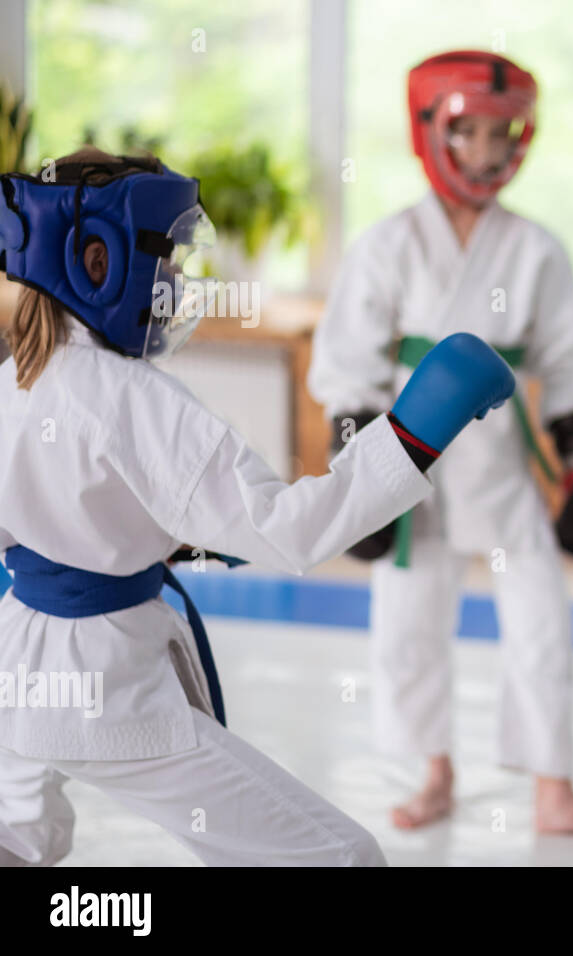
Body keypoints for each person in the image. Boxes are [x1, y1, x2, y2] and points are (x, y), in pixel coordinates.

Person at [0, 147, 515, 866]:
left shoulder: (13, 382)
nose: (179, 281)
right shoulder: (134, 400)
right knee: (341, 858)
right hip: (104, 687)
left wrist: (174, 539)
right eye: (168, 259)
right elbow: (290, 533)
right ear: (98, 261)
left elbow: (61, 519)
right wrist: (416, 433)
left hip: (19, 664)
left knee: (18, 841)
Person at [308, 51, 573, 841]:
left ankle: (554, 788)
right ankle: (434, 773)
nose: (489, 153)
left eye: (503, 135)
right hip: (405, 451)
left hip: (500, 458)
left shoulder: (537, 251)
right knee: (409, 622)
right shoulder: (388, 245)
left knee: (541, 620)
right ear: (431, 130)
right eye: (471, 133)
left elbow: (563, 369)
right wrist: (356, 482)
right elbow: (350, 372)